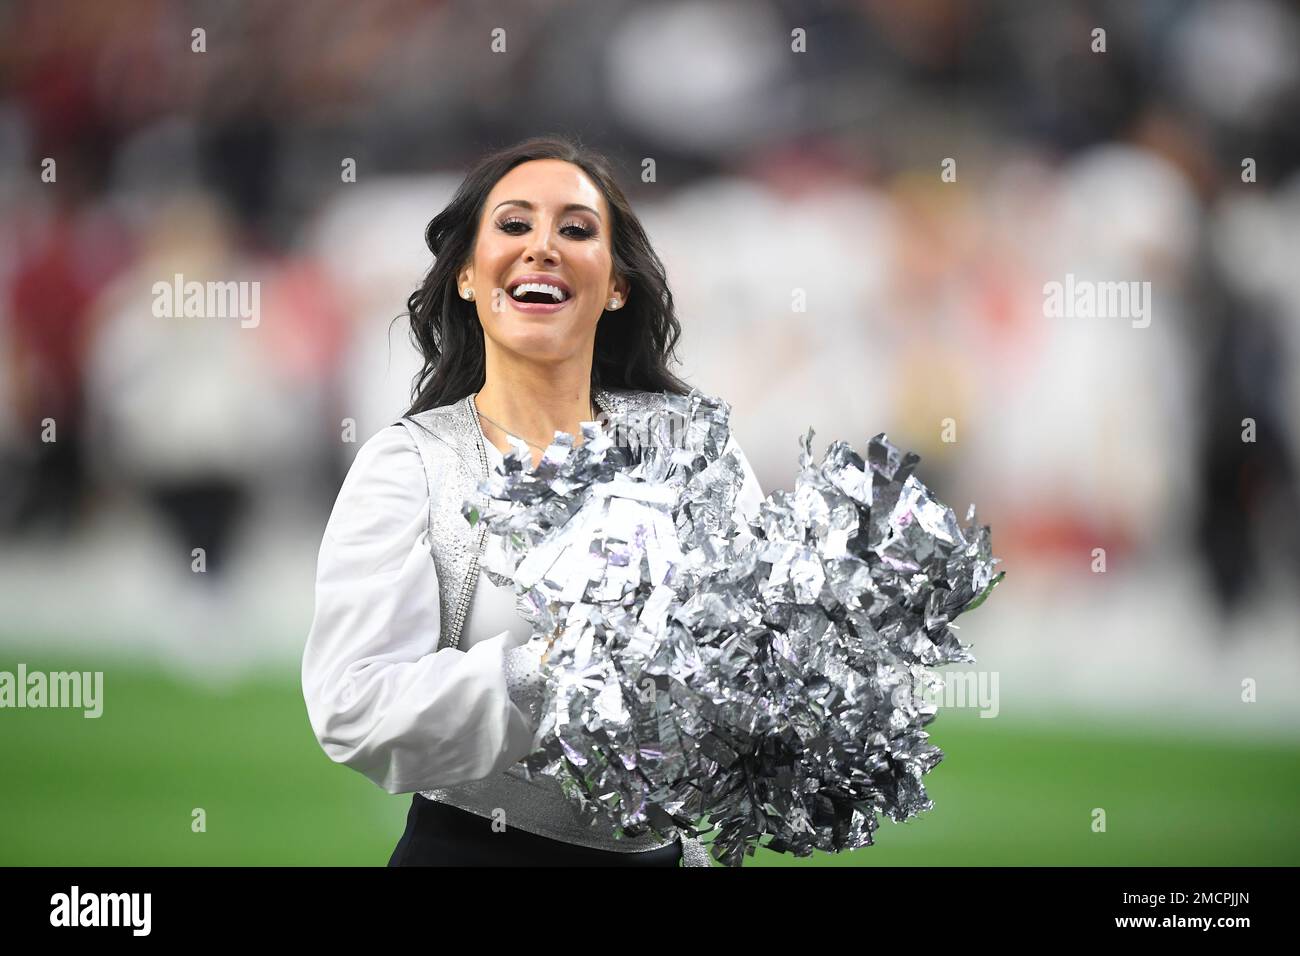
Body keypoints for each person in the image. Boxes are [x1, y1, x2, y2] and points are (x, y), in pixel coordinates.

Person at [301, 135, 763, 866]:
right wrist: (554, 669)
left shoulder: (696, 451)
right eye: (513, 225)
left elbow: (761, 662)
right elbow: (353, 707)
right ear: (464, 276)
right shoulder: (412, 466)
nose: (542, 246)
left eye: (576, 230)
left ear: (616, 284)